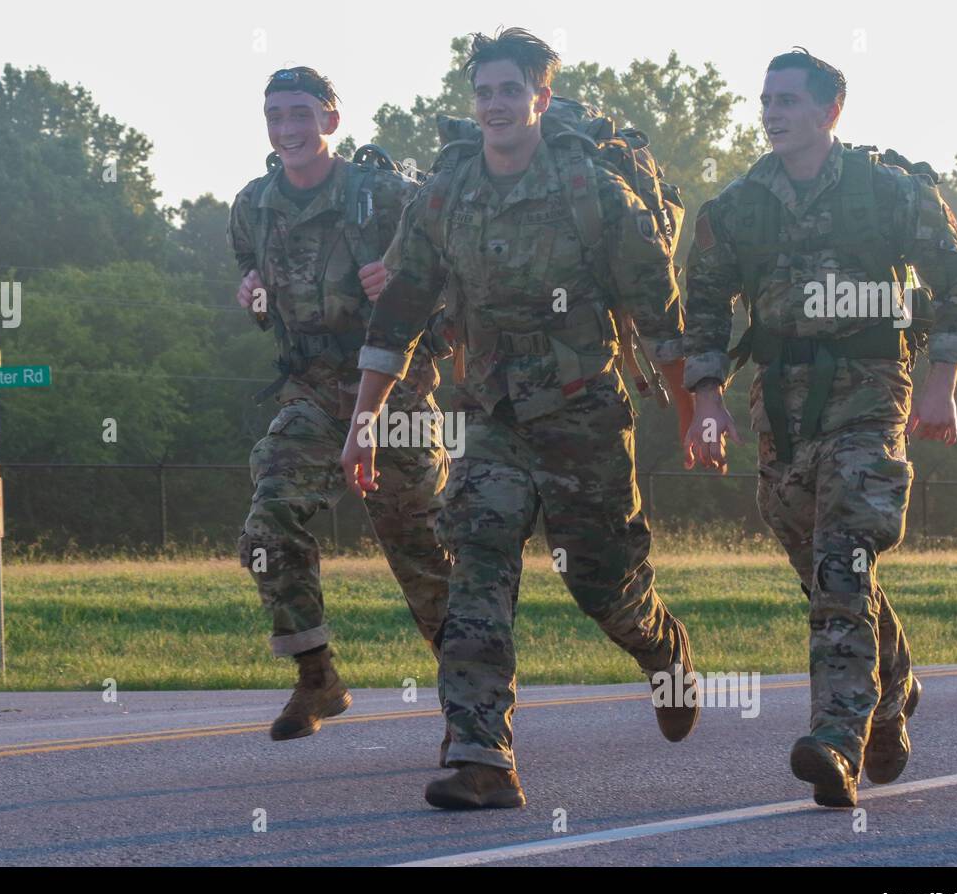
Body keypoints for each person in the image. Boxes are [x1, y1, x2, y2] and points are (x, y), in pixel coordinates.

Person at [342, 29, 698, 810]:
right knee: (477, 565)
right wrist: (364, 420)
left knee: (603, 582)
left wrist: (692, 408)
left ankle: (664, 654)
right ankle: (481, 755)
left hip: (582, 415)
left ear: (541, 97)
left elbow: (658, 311)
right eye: (484, 92)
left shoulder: (592, 191)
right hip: (490, 415)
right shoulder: (446, 192)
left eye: (510, 90)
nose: (495, 105)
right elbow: (399, 311)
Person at [682, 48, 957, 807]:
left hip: (870, 395)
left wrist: (941, 386)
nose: (772, 113)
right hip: (778, 406)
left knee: (843, 557)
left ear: (830, 111)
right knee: (822, 566)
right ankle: (892, 687)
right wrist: (708, 401)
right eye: (766, 100)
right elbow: (706, 309)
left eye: (787, 100)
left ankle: (836, 740)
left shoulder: (887, 193)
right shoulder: (737, 206)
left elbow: (953, 282)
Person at [228, 67, 451, 746]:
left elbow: (464, 273)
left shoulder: (385, 195)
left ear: (331, 120)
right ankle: (316, 674)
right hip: (314, 391)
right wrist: (254, 298)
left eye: (301, 114)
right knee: (268, 525)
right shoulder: (252, 205)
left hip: (396, 390)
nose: (288, 129)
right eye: (275, 116)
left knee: (421, 551)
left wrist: (411, 280)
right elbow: (261, 290)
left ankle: (473, 695)